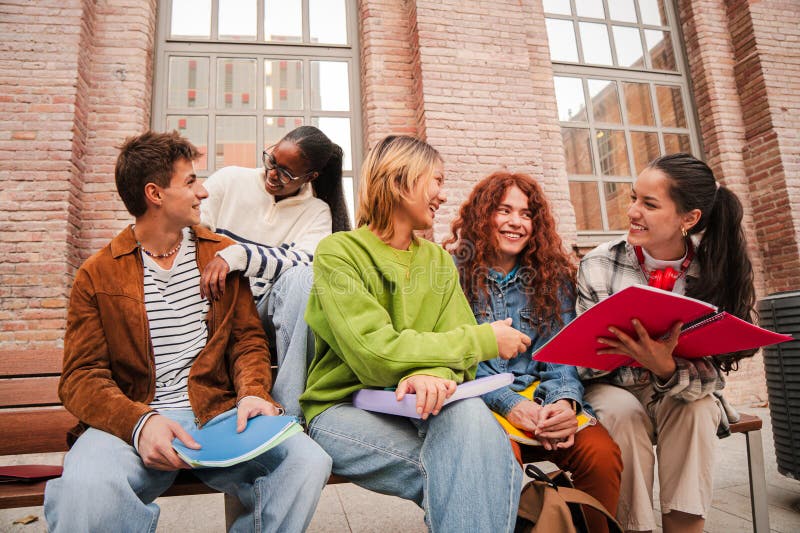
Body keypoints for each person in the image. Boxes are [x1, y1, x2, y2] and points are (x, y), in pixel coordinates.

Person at [44, 131, 331, 532]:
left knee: (306, 461)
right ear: (155, 194)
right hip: (135, 417)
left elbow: (247, 341)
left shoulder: (219, 256)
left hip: (216, 414)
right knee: (86, 489)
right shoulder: (99, 273)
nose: (203, 193)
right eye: (191, 182)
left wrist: (253, 393)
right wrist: (140, 423)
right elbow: (80, 377)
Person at [300, 135, 531, 532]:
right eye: (436, 181)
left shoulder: (438, 260)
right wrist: (483, 339)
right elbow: (375, 355)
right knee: (479, 467)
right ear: (398, 179)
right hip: (345, 408)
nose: (442, 195)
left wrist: (432, 374)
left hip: (424, 406)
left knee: (470, 419)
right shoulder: (339, 253)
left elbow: (459, 357)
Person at [576, 153, 757, 533]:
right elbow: (583, 364)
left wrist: (665, 366)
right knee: (621, 415)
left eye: (649, 203)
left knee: (697, 411)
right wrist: (632, 352)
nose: (632, 212)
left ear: (688, 219)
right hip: (613, 388)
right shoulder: (598, 264)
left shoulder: (712, 272)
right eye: (632, 198)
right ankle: (634, 527)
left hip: (683, 389)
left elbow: (711, 379)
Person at [445, 171, 622, 533]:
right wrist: (511, 406)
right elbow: (455, 361)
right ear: (482, 216)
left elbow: (561, 353)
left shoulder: (552, 276)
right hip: (480, 405)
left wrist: (564, 404)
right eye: (504, 210)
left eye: (526, 214)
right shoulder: (451, 274)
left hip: (540, 402)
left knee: (601, 455)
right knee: (494, 458)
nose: (516, 222)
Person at [200, 125, 351, 420]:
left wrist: (240, 255)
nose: (272, 174)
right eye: (271, 161)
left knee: (304, 279)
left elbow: (304, 261)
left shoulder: (317, 211)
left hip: (263, 312)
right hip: (212, 303)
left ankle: (290, 411)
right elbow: (194, 229)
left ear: (311, 177)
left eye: (286, 173)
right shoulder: (229, 180)